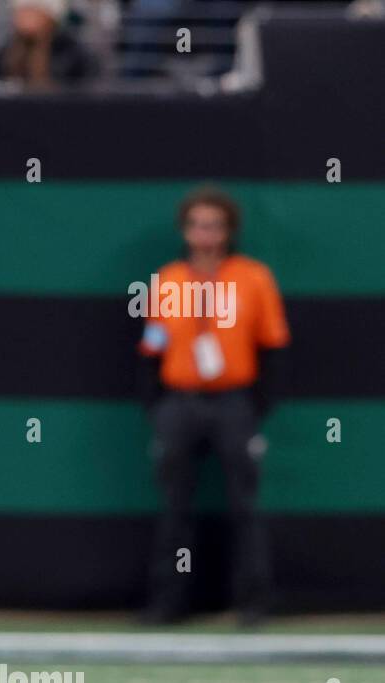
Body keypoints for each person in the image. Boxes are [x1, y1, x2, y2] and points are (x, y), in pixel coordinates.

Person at [137, 187, 290, 626]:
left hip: (233, 403)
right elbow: (152, 347)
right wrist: (157, 408)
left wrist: (258, 408)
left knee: (246, 505)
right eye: (198, 224)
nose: (205, 233)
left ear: (228, 231)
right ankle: (168, 602)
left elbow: (274, 347)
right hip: (180, 403)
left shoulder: (253, 278)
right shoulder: (167, 281)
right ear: (185, 230)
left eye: (215, 224)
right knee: (174, 506)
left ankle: (253, 603)